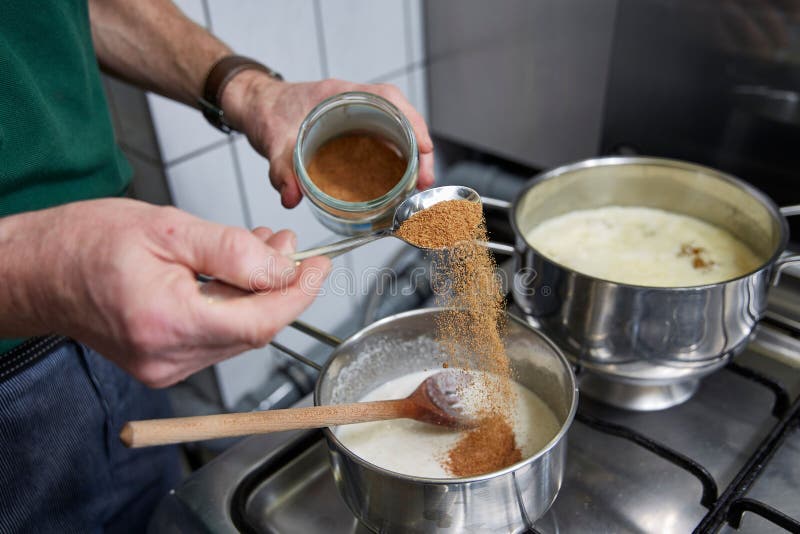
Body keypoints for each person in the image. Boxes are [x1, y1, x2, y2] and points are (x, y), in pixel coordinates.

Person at [0, 0, 434, 531]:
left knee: (156, 510)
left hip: (114, 303)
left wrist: (256, 92)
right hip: (13, 389)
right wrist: (41, 272)